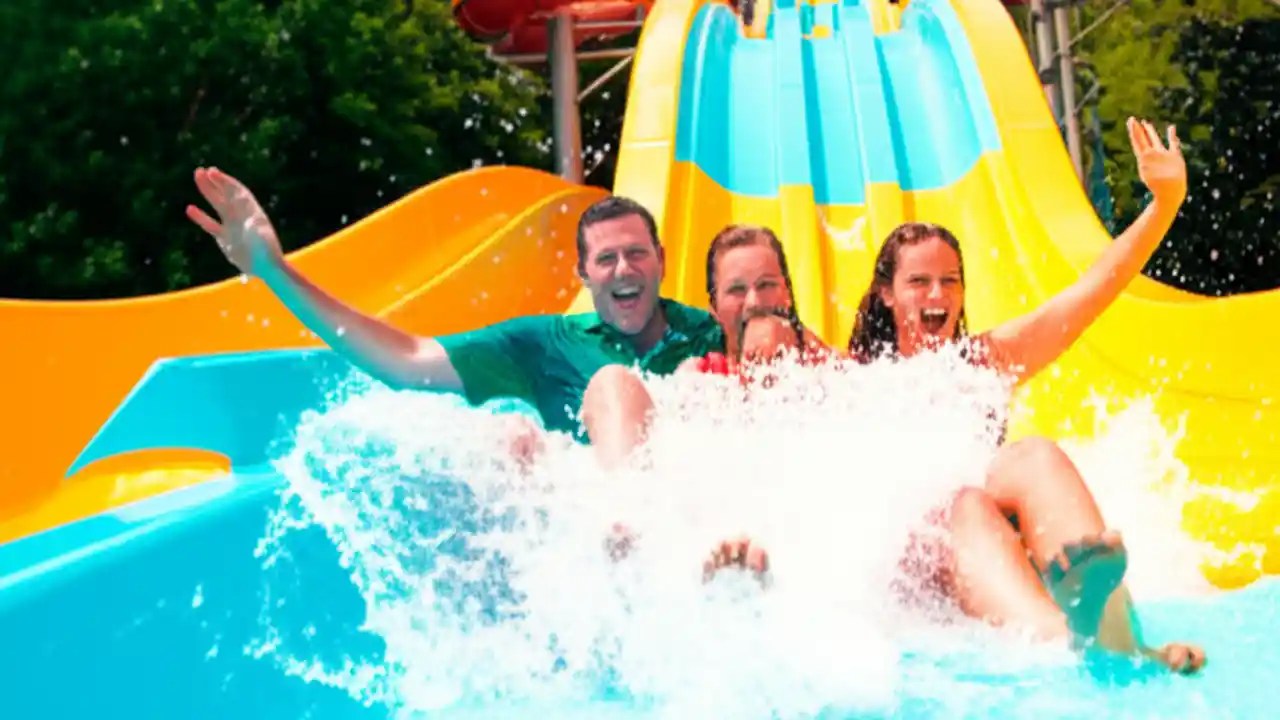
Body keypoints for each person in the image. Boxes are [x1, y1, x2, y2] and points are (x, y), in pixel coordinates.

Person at [842, 117, 1204, 672]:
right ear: (887, 294)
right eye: (919, 282)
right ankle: (1066, 637)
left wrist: (1166, 206)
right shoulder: (857, 382)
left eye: (951, 280)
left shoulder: (984, 362)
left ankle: (1104, 620)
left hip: (991, 549)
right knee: (961, 499)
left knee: (1030, 454)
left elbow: (1089, 293)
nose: (938, 294)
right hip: (921, 563)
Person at [184, 167, 722, 470]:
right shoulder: (547, 343)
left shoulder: (709, 332)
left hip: (694, 516)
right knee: (509, 436)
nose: (623, 269)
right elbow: (406, 362)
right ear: (583, 274)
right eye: (606, 259)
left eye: (636, 254)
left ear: (662, 260)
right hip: (596, 533)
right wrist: (274, 272)